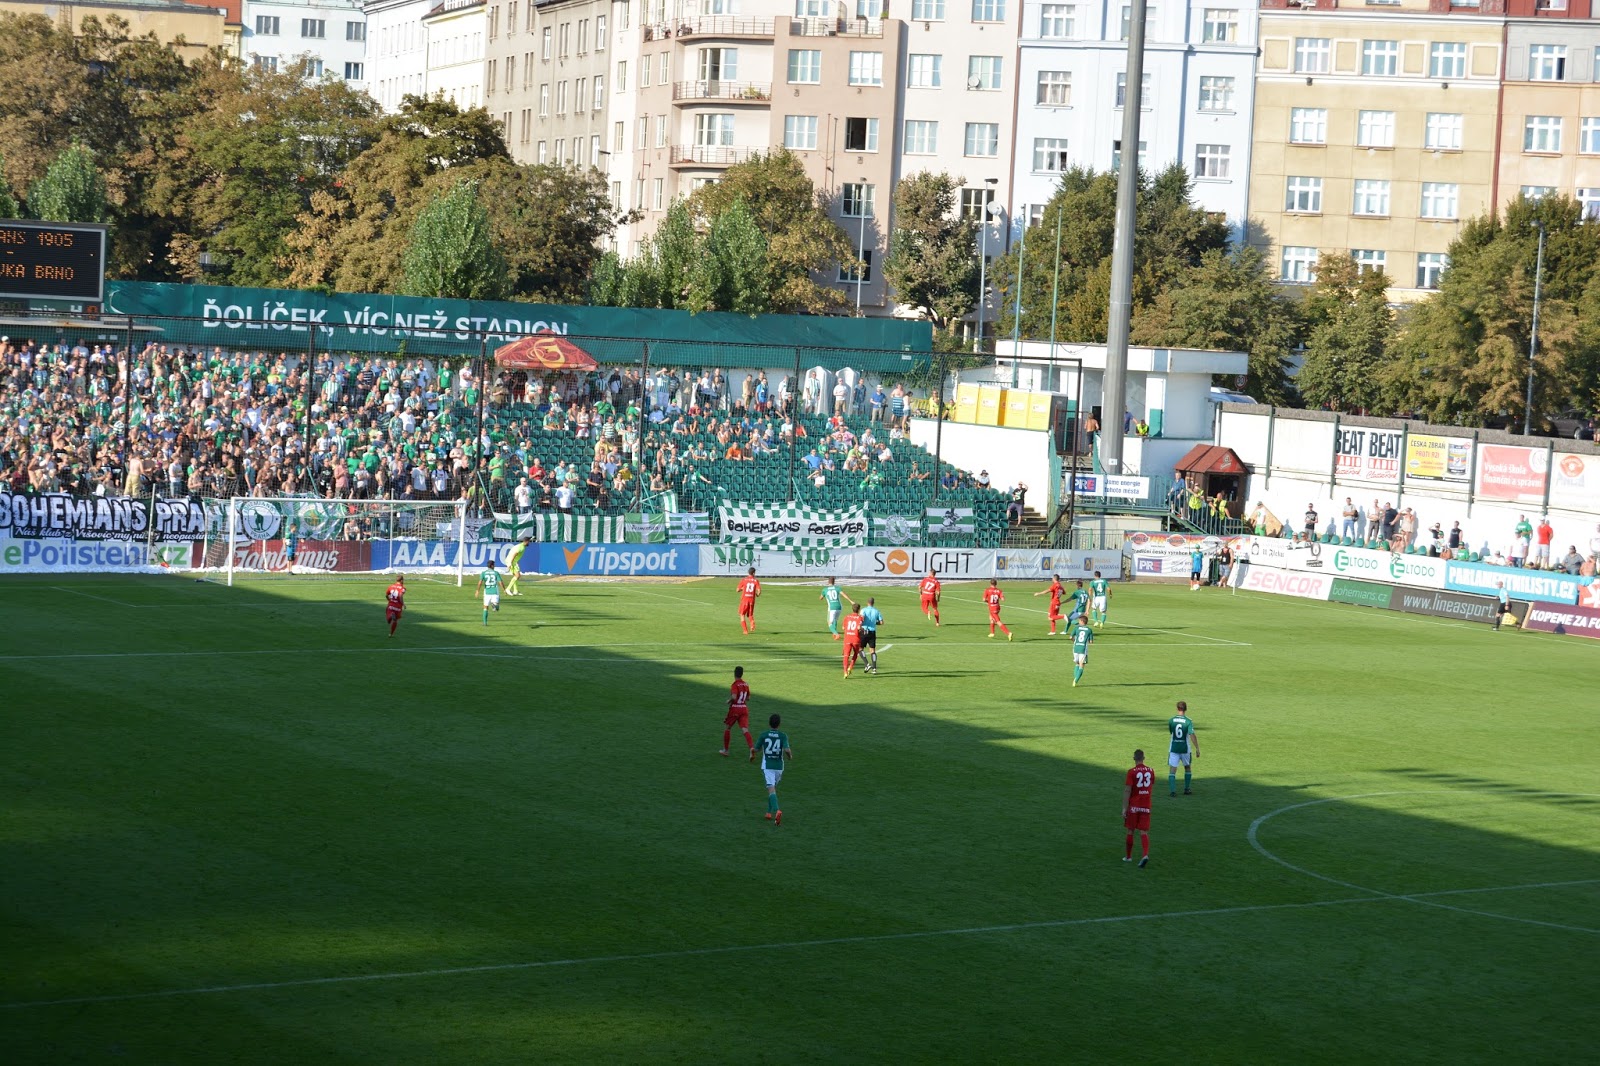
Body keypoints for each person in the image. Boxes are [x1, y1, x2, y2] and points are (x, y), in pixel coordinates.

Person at [755, 713, 792, 826]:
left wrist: (752, 753)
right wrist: (790, 757)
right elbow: (787, 750)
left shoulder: (764, 735)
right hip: (779, 767)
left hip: (768, 766)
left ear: (769, 723)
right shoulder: (783, 735)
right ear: (779, 724)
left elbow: (756, 749)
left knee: (771, 790)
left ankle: (777, 811)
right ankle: (768, 812)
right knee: (773, 789)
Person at [1123, 749, 1154, 868]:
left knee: (1130, 830)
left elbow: (1127, 790)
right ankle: (1145, 855)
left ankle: (1128, 857)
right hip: (1146, 805)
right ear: (1143, 758)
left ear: (1134, 758)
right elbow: (1150, 785)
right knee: (1143, 831)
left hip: (1134, 805)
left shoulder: (1131, 772)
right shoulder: (1151, 771)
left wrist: (1124, 808)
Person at [720, 665, 755, 757]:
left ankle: (726, 750)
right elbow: (748, 698)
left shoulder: (735, 685)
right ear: (742, 674)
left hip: (735, 708)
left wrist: (729, 700)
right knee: (745, 729)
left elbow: (734, 697)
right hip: (744, 708)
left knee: (728, 728)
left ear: (734, 673)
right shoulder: (746, 684)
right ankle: (751, 747)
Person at [1167, 700, 1198, 796]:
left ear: (1177, 708)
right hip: (1185, 748)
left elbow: (1171, 732)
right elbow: (1192, 735)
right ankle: (1187, 789)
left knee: (1173, 769)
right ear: (1186, 709)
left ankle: (1173, 791)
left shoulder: (1171, 720)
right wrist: (1197, 748)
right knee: (1187, 767)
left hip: (1174, 748)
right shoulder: (1188, 721)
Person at [819, 575, 856, 640]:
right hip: (839, 607)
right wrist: (851, 601)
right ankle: (834, 634)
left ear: (828, 582)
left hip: (832, 608)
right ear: (834, 582)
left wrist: (822, 597)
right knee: (835, 620)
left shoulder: (825, 590)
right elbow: (844, 594)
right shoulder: (837, 588)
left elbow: (821, 598)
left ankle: (836, 634)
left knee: (829, 623)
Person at [860, 597, 884, 674]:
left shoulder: (863, 610)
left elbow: (861, 619)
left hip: (864, 631)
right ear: (873, 603)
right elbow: (881, 622)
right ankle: (874, 669)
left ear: (867, 602)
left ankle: (867, 664)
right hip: (872, 632)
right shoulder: (876, 611)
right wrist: (874, 623)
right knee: (872, 651)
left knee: (860, 649)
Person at [841, 603, 865, 678]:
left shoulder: (847, 617)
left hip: (847, 638)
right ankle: (850, 667)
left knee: (846, 656)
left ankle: (845, 672)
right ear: (859, 610)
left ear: (852, 609)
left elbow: (843, 628)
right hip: (856, 639)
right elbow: (859, 627)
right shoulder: (860, 617)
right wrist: (862, 629)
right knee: (855, 653)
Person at [475, 559, 502, 626]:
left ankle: (485, 623)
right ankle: (495, 605)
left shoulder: (483, 573)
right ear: (492, 566)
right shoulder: (496, 573)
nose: (495, 566)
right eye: (494, 565)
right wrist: (504, 590)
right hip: (495, 591)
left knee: (485, 607)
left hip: (487, 591)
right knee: (497, 607)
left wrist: (477, 591)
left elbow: (480, 583)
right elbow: (500, 582)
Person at [1070, 613, 1093, 687]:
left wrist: (1074, 641)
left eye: (1079, 621)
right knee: (1081, 665)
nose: (1078, 622)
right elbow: (1091, 642)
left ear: (1082, 621)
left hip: (1075, 648)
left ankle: (1075, 678)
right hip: (1083, 649)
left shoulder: (1076, 628)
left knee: (1077, 664)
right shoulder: (1089, 630)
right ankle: (1075, 680)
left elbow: (1071, 637)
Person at [738, 566, 761, 634]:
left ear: (748, 572)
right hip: (751, 600)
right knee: (750, 615)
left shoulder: (744, 580)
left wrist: (743, 588)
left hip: (744, 600)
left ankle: (745, 630)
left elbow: (737, 590)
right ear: (753, 573)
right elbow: (759, 591)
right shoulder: (756, 581)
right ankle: (752, 622)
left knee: (742, 615)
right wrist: (757, 594)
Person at [385, 573, 406, 638]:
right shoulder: (403, 588)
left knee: (388, 614)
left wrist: (389, 600)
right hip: (398, 607)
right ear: (401, 580)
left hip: (391, 605)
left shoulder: (391, 586)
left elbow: (386, 595)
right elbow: (400, 595)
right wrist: (403, 604)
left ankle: (390, 616)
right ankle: (391, 634)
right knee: (395, 620)